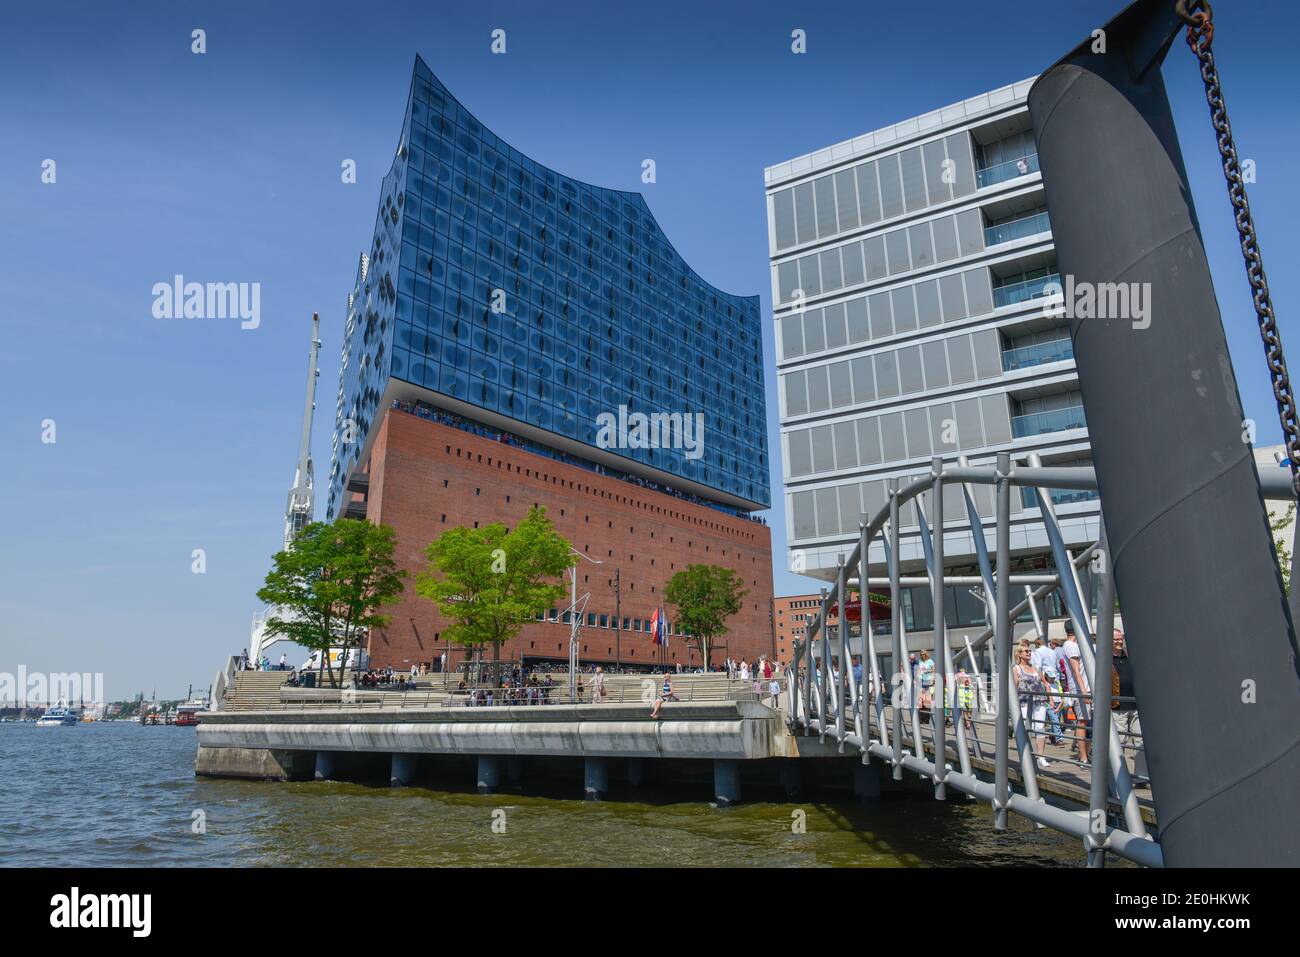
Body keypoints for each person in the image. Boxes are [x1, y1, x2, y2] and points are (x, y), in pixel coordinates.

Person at [1111, 629, 1148, 783]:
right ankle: (1120, 778)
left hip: (1134, 704)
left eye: (1121, 639)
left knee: (1140, 741)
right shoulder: (1104, 659)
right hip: (1117, 707)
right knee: (1120, 742)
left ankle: (1141, 777)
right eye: (1116, 639)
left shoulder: (1128, 656)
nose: (1119, 642)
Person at [1013, 642, 1051, 769]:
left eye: (1029, 651)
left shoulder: (1035, 667)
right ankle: (1026, 755)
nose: (1029, 653)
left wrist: (1050, 698)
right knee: (1025, 728)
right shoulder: (1016, 668)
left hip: (1039, 701)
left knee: (1040, 728)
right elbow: (1013, 687)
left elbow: (1046, 684)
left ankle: (1041, 756)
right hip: (1024, 703)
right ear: (1019, 654)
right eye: (1026, 651)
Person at [1060, 623, 1091, 765]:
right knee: (1083, 721)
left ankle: (1087, 754)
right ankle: (1083, 756)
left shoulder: (1076, 644)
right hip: (1081, 690)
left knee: (1088, 723)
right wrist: (1084, 691)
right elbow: (1075, 670)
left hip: (1086, 688)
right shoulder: (1070, 645)